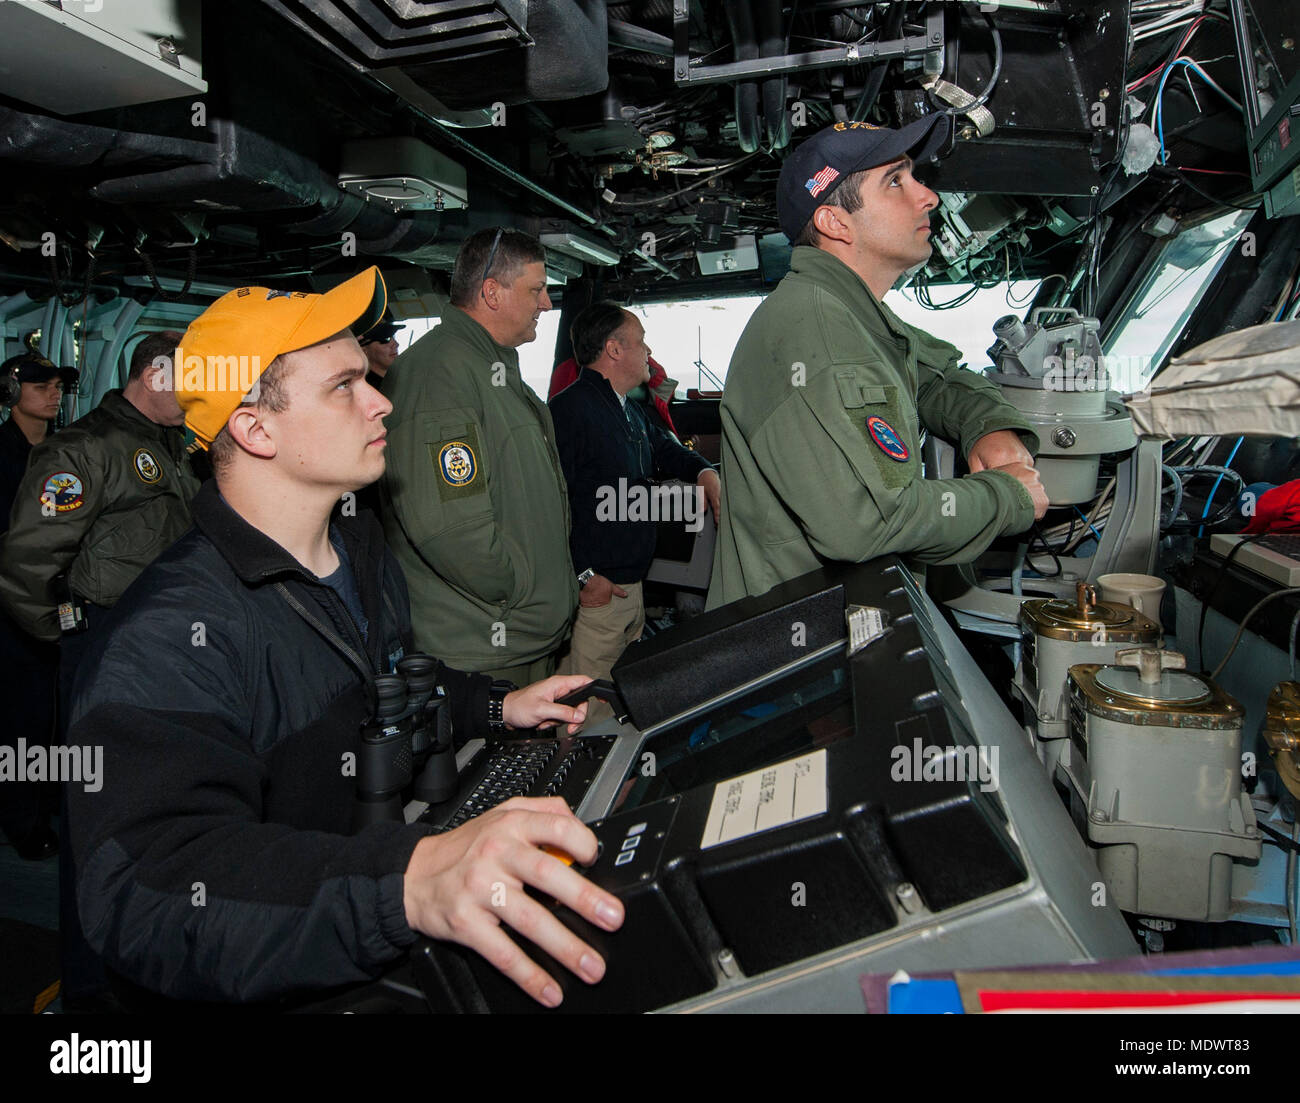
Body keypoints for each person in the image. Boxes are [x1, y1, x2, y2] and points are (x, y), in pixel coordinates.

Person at [65, 266, 624, 1008]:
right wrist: (405, 882)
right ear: (255, 427)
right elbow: (149, 883)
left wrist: (495, 707)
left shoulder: (357, 550)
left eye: (369, 376)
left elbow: (385, 681)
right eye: (344, 386)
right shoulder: (168, 634)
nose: (380, 402)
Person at [708, 117, 1048, 608]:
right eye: (895, 181)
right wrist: (1007, 497)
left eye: (914, 176)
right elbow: (868, 522)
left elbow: (938, 375)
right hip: (801, 649)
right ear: (835, 222)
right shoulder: (818, 333)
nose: (927, 196)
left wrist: (990, 426)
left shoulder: (853, 314)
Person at [381, 227, 577, 683]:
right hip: (485, 651)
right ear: (492, 292)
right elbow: (450, 529)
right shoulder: (439, 374)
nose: (546, 304)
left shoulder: (490, 367)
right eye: (536, 290)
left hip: (518, 637)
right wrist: (517, 593)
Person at [550, 303, 720, 687]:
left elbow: (666, 449)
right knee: (590, 711)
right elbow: (550, 507)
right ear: (614, 350)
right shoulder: (569, 412)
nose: (649, 352)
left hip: (630, 588)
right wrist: (584, 577)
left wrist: (705, 471)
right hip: (599, 594)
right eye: (642, 342)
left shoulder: (629, 410)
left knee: (620, 698)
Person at [0, 353, 78, 861]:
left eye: (57, 385)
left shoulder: (68, 453)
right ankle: (22, 820)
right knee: (20, 717)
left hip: (59, 600)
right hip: (8, 605)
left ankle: (53, 802)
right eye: (40, 385)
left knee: (58, 713)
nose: (53, 393)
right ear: (11, 392)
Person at [359, 312, 405, 390]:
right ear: (364, 351)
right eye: (386, 340)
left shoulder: (405, 379)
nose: (396, 344)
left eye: (393, 337)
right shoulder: (367, 390)